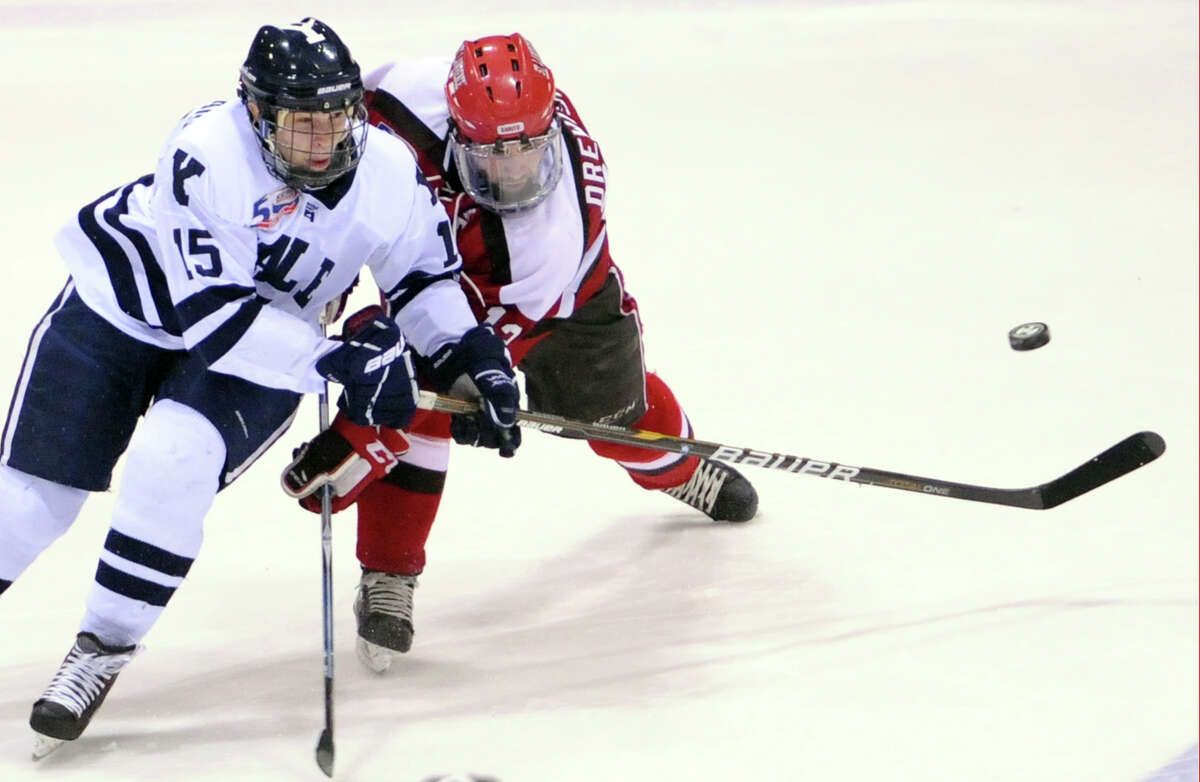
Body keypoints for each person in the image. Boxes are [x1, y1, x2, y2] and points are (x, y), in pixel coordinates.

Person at [0, 18, 519, 755]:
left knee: (172, 460)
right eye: (301, 123)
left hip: (273, 341)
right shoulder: (207, 153)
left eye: (336, 118)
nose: (322, 140)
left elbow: (425, 279)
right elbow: (216, 320)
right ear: (255, 113)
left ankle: (102, 647)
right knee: (27, 506)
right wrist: (339, 362)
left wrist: (470, 355)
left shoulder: (388, 175)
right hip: (122, 312)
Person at [281, 33, 758, 673]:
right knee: (417, 399)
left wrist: (361, 433)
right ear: (456, 125)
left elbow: (456, 367)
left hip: (560, 303)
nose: (512, 174)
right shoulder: (400, 98)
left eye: (528, 154)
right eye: (491, 158)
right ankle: (389, 572)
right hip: (433, 258)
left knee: (603, 416)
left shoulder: (546, 238)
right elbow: (325, 139)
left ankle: (678, 466)